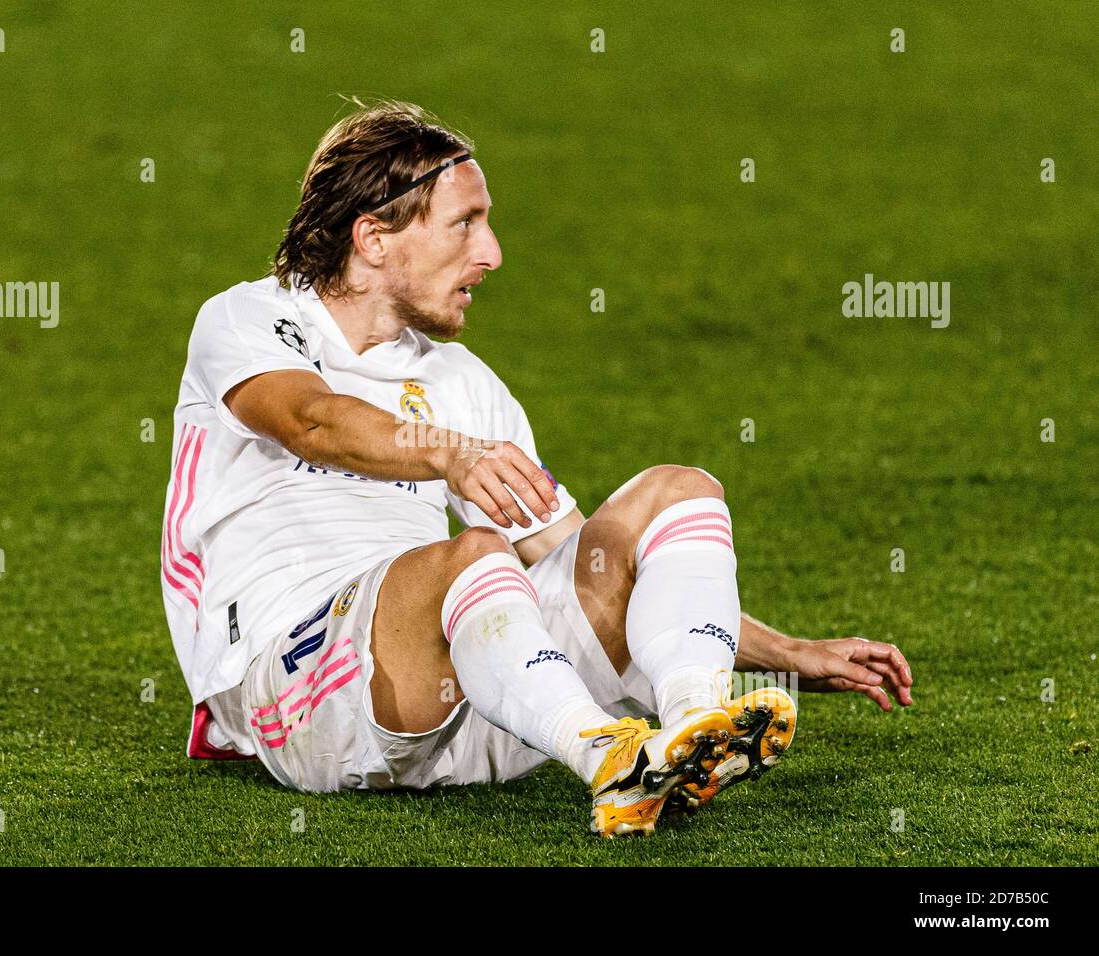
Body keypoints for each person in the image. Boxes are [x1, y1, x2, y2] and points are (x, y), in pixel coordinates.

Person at [161, 100, 913, 837]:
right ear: (375, 238)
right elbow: (309, 420)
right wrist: (450, 454)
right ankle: (606, 755)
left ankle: (691, 727)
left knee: (673, 495)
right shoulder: (250, 320)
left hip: (476, 705)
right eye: (464, 224)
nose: (491, 254)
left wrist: (787, 655)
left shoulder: (462, 383)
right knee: (475, 554)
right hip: (297, 696)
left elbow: (586, 564)